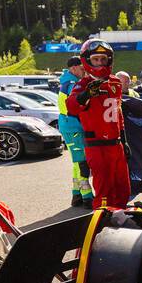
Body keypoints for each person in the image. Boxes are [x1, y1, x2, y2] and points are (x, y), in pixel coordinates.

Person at [69, 39, 129, 209]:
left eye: (103, 59)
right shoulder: (82, 85)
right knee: (104, 192)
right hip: (97, 146)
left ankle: (121, 223)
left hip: (116, 144)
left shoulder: (115, 82)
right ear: (87, 60)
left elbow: (118, 113)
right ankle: (103, 224)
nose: (100, 63)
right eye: (96, 59)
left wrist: (124, 140)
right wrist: (85, 95)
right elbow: (72, 107)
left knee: (123, 189)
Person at [57, 55, 93, 208]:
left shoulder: (67, 81)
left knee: (77, 162)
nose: (83, 69)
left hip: (69, 125)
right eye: (81, 66)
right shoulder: (72, 84)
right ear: (73, 68)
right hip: (73, 125)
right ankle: (87, 198)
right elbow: (78, 105)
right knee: (82, 162)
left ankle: (76, 195)